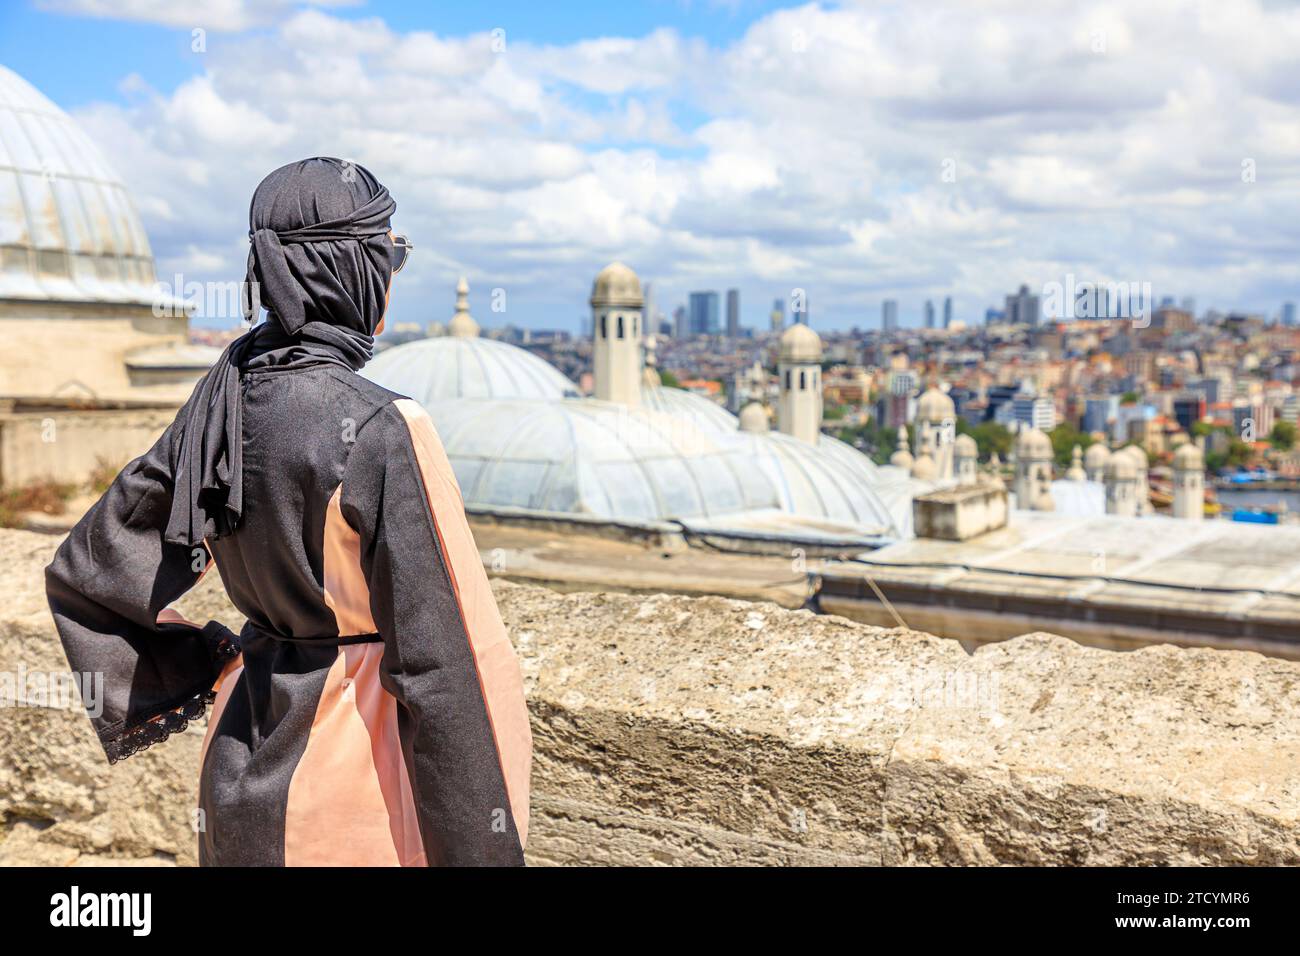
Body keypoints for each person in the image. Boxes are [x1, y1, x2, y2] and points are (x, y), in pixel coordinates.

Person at [45, 157, 531, 867]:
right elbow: (450, 672)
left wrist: (214, 659)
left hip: (238, 770)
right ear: (353, 269)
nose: (392, 274)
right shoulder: (382, 426)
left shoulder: (221, 406)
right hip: (355, 791)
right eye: (387, 254)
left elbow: (87, 572)